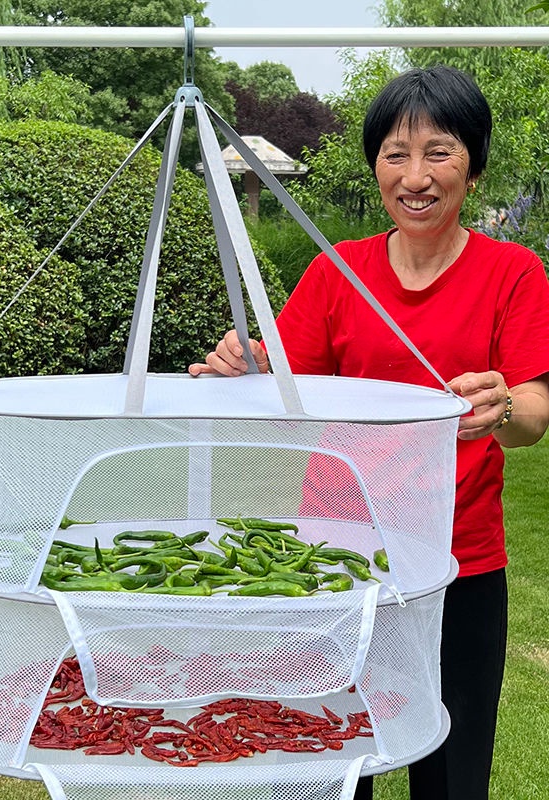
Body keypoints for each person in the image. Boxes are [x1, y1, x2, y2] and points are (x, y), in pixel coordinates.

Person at [189, 65, 549, 800]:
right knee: (331, 762)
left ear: (473, 167)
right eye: (395, 154)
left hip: (458, 563)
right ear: (376, 166)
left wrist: (503, 404)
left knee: (450, 772)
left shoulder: (514, 273)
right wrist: (243, 364)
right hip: (334, 560)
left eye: (439, 152)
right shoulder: (337, 272)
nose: (415, 176)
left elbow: (533, 418)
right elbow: (281, 383)